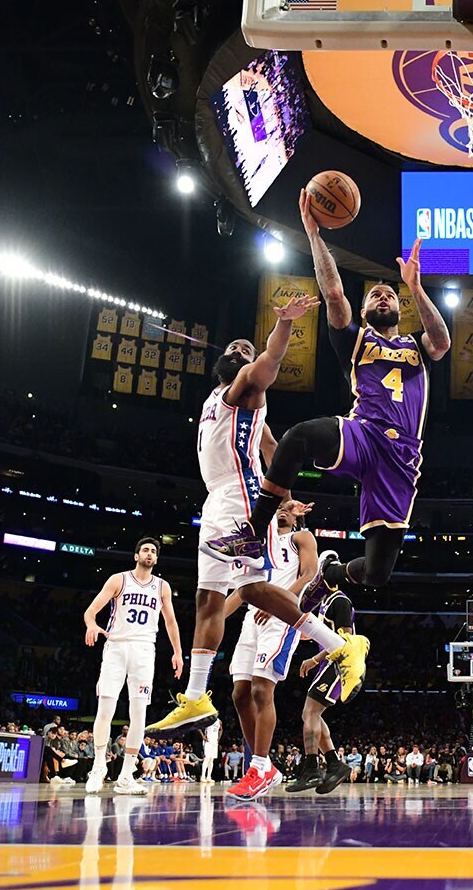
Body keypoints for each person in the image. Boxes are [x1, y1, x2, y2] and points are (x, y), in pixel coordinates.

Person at [151, 292, 370, 803]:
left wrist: (284, 327)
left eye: (245, 348)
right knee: (209, 599)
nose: (241, 351)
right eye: (235, 346)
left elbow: (269, 363)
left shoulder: (248, 385)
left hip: (240, 501)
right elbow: (273, 447)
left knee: (250, 589)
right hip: (219, 502)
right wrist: (289, 498)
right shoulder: (216, 401)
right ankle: (195, 699)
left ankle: (339, 647)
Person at [206, 190, 451, 614]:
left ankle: (328, 575)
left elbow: (443, 341)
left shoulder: (416, 345)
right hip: (363, 432)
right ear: (363, 308)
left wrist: (414, 285)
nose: (382, 297)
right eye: (374, 295)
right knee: (298, 437)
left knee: (377, 573)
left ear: (401, 306)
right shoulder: (356, 339)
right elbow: (334, 294)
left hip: (402, 458)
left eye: (389, 295)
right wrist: (314, 233)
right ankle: (254, 529)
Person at [219, 499, 321, 794]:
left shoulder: (301, 537)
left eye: (288, 508)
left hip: (281, 616)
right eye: (278, 508)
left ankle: (259, 766)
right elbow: (242, 590)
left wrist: (276, 602)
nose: (282, 510)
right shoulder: (260, 545)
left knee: (262, 689)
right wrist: (210, 622)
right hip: (253, 616)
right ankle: (266, 768)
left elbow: (310, 575)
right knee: (240, 693)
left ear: (298, 516)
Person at [81, 537, 183, 795]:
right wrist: (92, 625)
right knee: (106, 707)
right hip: (116, 646)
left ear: (156, 559)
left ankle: (126, 776)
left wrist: (178, 652)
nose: (149, 554)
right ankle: (98, 768)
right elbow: (90, 612)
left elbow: (170, 622)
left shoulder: (162, 587)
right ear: (136, 555)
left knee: (139, 714)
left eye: (153, 551)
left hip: (144, 651)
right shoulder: (119, 579)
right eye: (145, 550)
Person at [288, 589, 365, 794]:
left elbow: (345, 642)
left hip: (339, 662)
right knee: (311, 714)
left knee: (310, 713)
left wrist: (315, 659)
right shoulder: (324, 604)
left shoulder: (340, 601)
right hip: (329, 663)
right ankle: (334, 764)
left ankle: (312, 767)